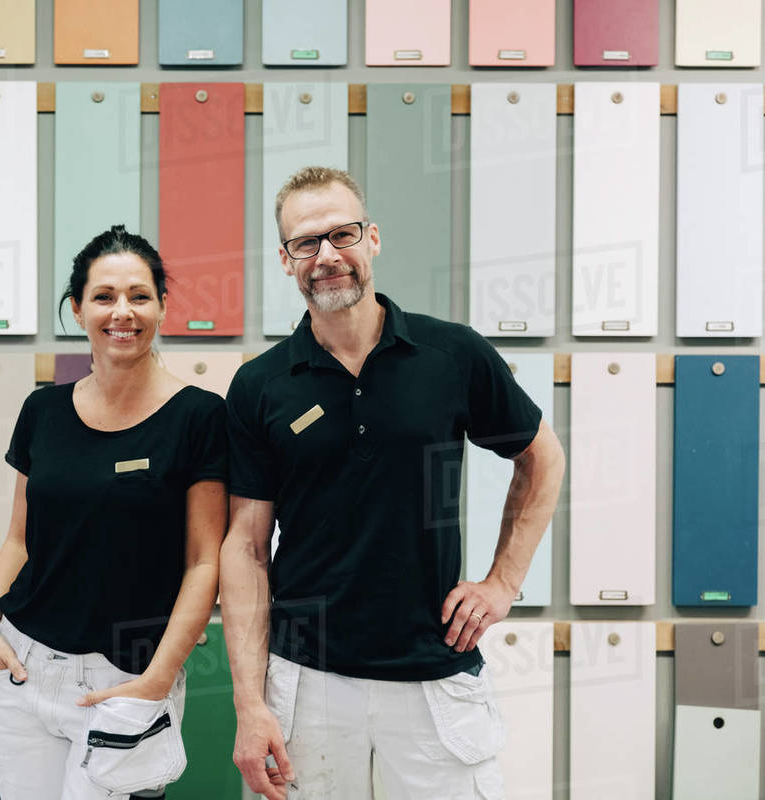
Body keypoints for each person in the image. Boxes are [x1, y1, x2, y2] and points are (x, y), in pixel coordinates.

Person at [220, 167, 565, 799]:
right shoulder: (260, 385)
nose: (327, 256)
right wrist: (249, 702)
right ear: (285, 259)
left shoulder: (452, 355)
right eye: (306, 243)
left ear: (372, 239)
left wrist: (503, 583)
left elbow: (542, 458)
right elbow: (245, 546)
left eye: (342, 234)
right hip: (307, 681)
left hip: (434, 672)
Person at [0, 225, 228, 800]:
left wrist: (159, 679)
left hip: (127, 677)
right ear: (77, 308)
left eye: (139, 295)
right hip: (22, 662)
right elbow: (19, 539)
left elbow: (203, 562)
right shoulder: (43, 410)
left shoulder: (199, 417)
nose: (123, 312)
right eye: (104, 296)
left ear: (163, 306)